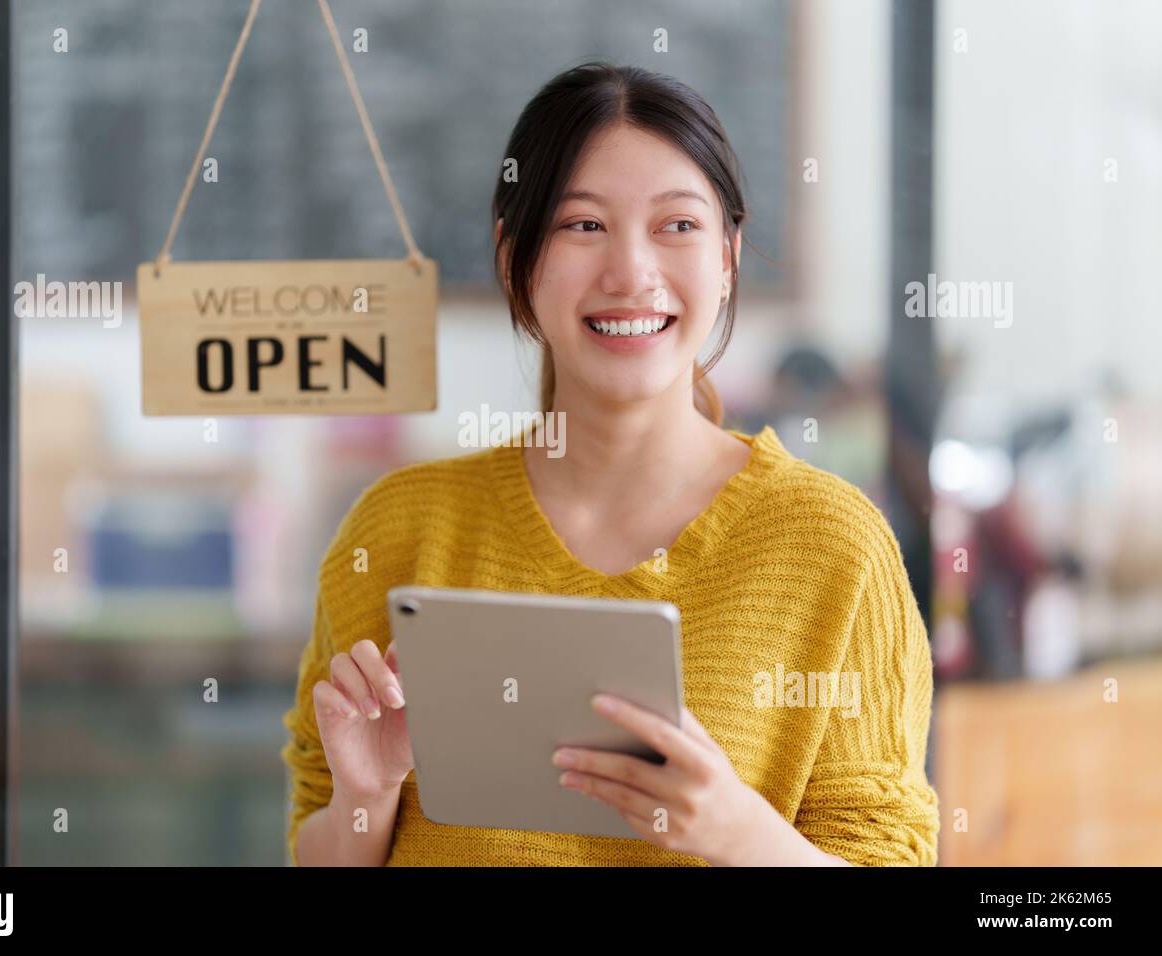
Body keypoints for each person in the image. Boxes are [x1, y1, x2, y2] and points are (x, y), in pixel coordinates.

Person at [282, 61, 939, 866]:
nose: (631, 273)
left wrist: (737, 831)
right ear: (515, 259)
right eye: (583, 226)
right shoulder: (396, 530)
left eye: (679, 226)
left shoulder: (836, 548)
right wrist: (366, 794)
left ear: (728, 259)